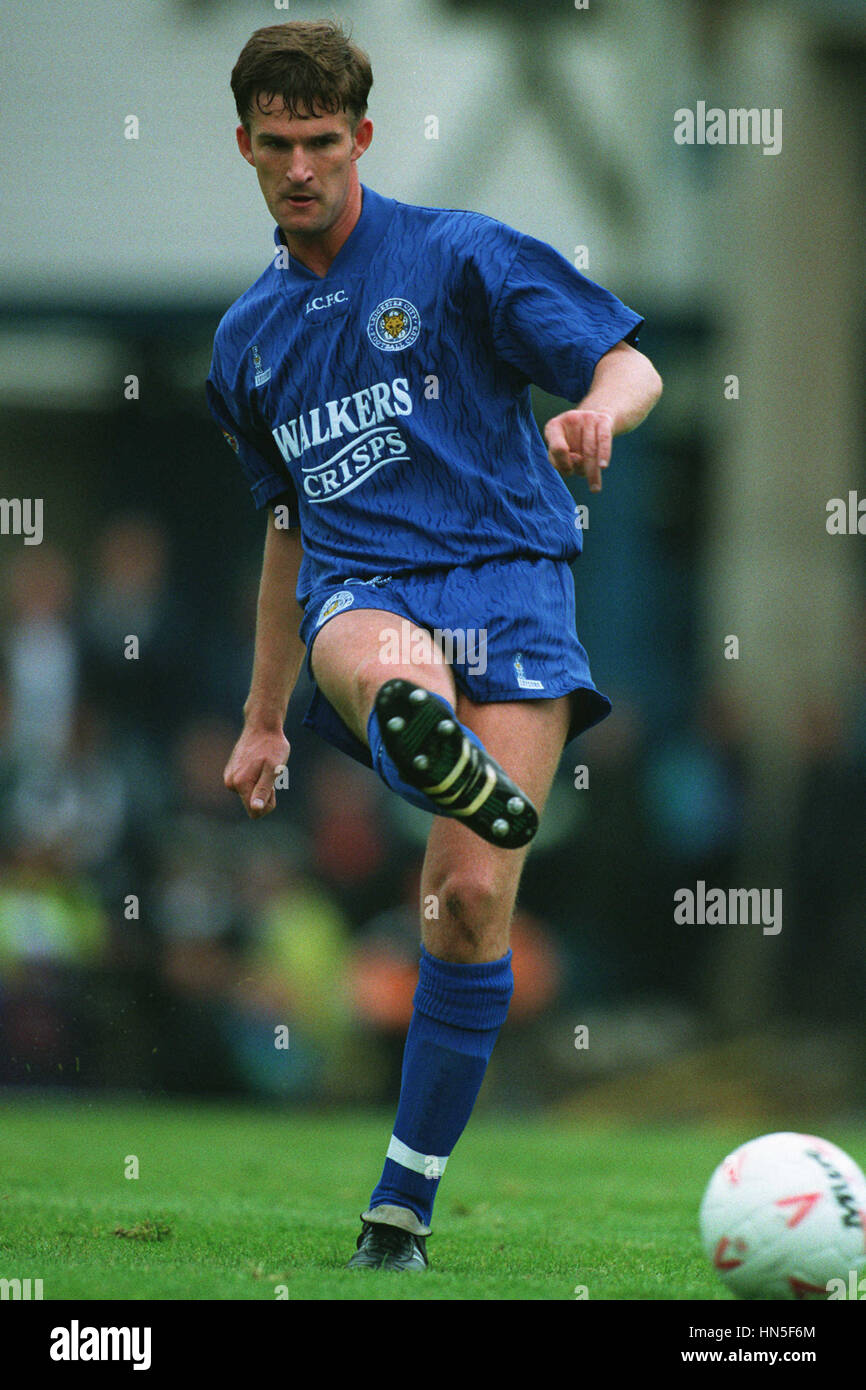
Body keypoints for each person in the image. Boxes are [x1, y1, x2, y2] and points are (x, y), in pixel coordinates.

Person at [206, 20, 662, 1272]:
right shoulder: (246, 342)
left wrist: (591, 413)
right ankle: (427, 736)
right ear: (243, 145)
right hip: (365, 589)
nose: (300, 165)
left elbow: (628, 366)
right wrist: (260, 718)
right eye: (276, 144)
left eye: (321, 141)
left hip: (513, 583)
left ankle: (400, 1207)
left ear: (360, 137)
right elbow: (288, 532)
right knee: (388, 661)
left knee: (465, 901)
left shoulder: (458, 255)